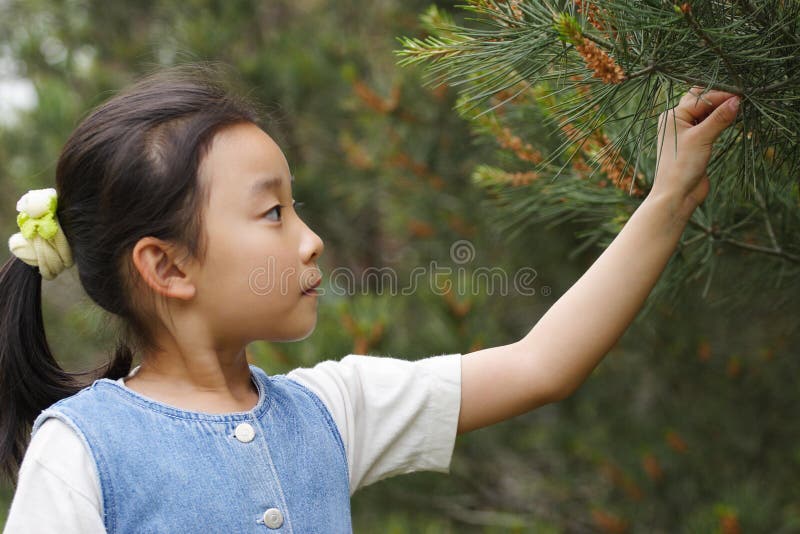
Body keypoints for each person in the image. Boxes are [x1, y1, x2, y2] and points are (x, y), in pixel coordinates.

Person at [0, 62, 740, 533]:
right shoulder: (80, 452)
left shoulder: (333, 409)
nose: (311, 239)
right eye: (273, 214)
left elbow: (543, 365)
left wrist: (669, 198)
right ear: (168, 268)